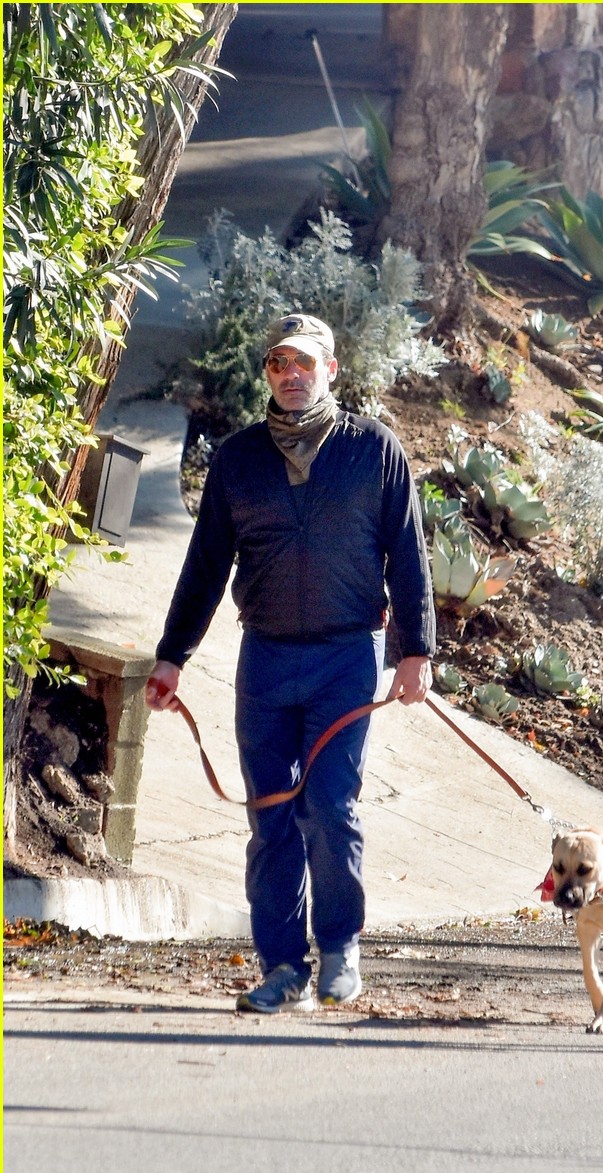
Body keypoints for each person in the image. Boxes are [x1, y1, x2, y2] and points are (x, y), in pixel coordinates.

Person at [146, 313, 435, 1014]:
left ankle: (339, 948)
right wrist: (171, 656)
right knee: (271, 816)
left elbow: (408, 555)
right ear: (268, 374)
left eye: (304, 362)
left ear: (330, 368)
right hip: (266, 658)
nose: (291, 374)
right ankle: (282, 966)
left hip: (346, 655)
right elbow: (206, 564)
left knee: (329, 806)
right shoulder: (239, 459)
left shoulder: (374, 450)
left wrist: (414, 652)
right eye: (278, 363)